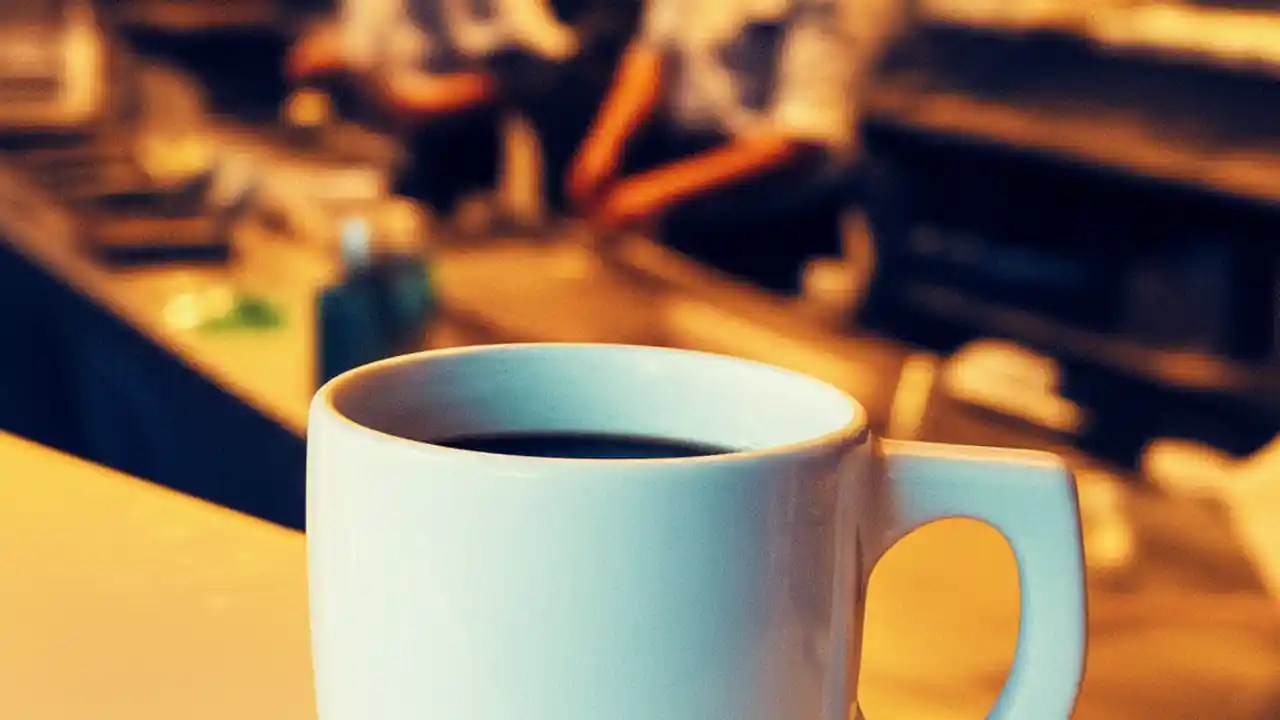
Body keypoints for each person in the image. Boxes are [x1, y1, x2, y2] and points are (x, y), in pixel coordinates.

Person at [566, 0, 903, 293]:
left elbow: (803, 134)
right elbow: (654, 49)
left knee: (725, 316)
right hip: (681, 158)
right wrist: (603, 146)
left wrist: (652, 192)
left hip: (767, 188)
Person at [285, 0, 638, 214]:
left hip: (497, 135)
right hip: (402, 127)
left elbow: (540, 58)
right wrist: (348, 49)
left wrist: (432, 97)